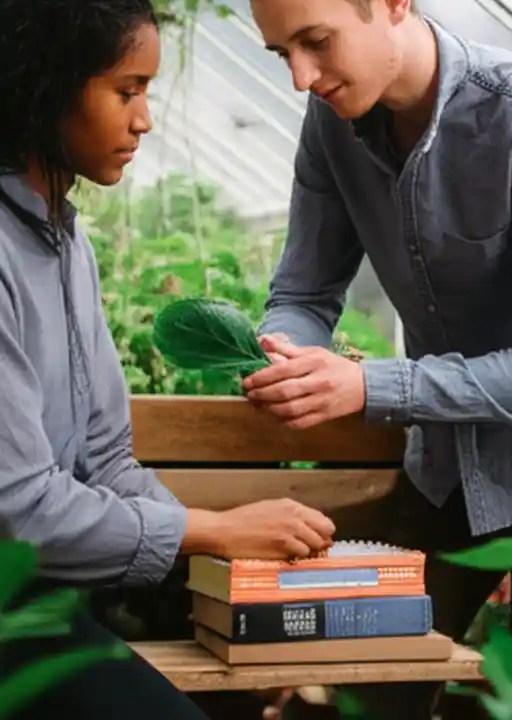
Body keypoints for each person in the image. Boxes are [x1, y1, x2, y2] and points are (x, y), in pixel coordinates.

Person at [238, 0, 512, 715]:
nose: (301, 76)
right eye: (281, 54)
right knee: (363, 692)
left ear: (394, 4)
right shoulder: (332, 122)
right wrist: (287, 350)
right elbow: (303, 288)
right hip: (447, 454)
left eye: (317, 42)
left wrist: (367, 385)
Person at [0, 2, 338, 718]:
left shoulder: (66, 243)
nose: (145, 120)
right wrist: (215, 530)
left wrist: (234, 584)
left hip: (57, 594)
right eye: (127, 90)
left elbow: (107, 460)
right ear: (50, 84)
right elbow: (20, 511)